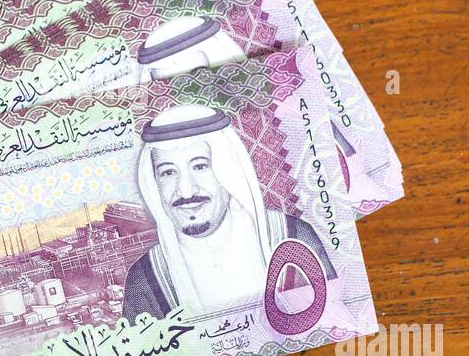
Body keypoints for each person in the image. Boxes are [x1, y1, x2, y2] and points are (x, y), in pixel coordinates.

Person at [122, 104, 335, 321]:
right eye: (168, 172)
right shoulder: (145, 277)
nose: (185, 190)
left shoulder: (292, 237)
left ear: (228, 172)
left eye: (200, 167)